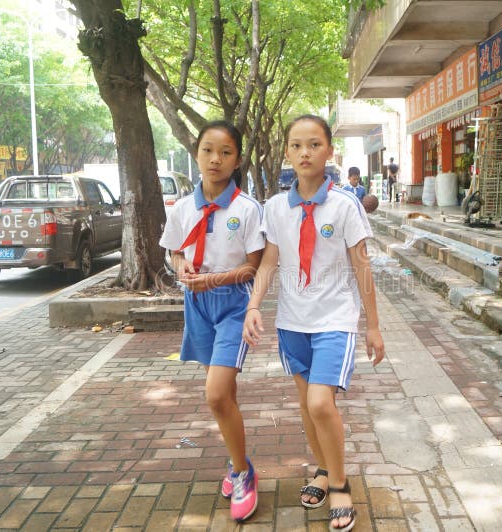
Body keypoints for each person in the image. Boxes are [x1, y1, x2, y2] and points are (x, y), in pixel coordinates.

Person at [242, 114, 385, 532]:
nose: (305, 152)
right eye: (297, 145)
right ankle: (322, 470)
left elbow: (362, 266)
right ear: (287, 151)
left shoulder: (344, 205)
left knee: (322, 403)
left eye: (314, 144)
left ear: (329, 151)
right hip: (292, 322)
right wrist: (254, 306)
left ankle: (339, 484)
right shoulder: (274, 208)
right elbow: (270, 261)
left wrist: (372, 326)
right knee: (307, 404)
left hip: (335, 320)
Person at [159, 120, 264, 523]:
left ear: (237, 159)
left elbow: (253, 268)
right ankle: (236, 461)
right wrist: (182, 262)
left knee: (216, 394)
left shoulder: (247, 209)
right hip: (196, 306)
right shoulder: (183, 207)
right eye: (207, 150)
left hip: (232, 304)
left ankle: (243, 473)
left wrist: (213, 279)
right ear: (196, 153)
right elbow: (174, 252)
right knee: (224, 396)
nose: (215, 159)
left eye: (224, 152)